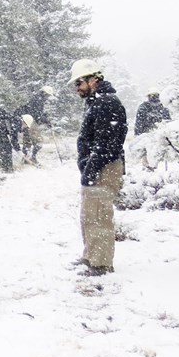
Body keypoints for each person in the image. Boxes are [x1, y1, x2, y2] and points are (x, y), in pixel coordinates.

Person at [70, 59, 128, 276]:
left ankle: (101, 263)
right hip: (96, 166)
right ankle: (91, 256)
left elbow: (107, 143)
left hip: (103, 167)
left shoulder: (107, 103)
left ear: (94, 79)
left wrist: (91, 168)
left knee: (98, 215)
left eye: (79, 83)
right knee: (89, 214)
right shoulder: (96, 101)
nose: (77, 88)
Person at [19, 85, 55, 164]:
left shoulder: (37, 98)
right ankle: (32, 157)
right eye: (48, 95)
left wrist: (44, 116)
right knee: (39, 141)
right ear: (45, 93)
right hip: (32, 123)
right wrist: (46, 121)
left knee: (27, 141)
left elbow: (37, 112)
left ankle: (25, 158)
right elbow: (37, 115)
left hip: (27, 121)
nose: (48, 97)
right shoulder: (39, 100)